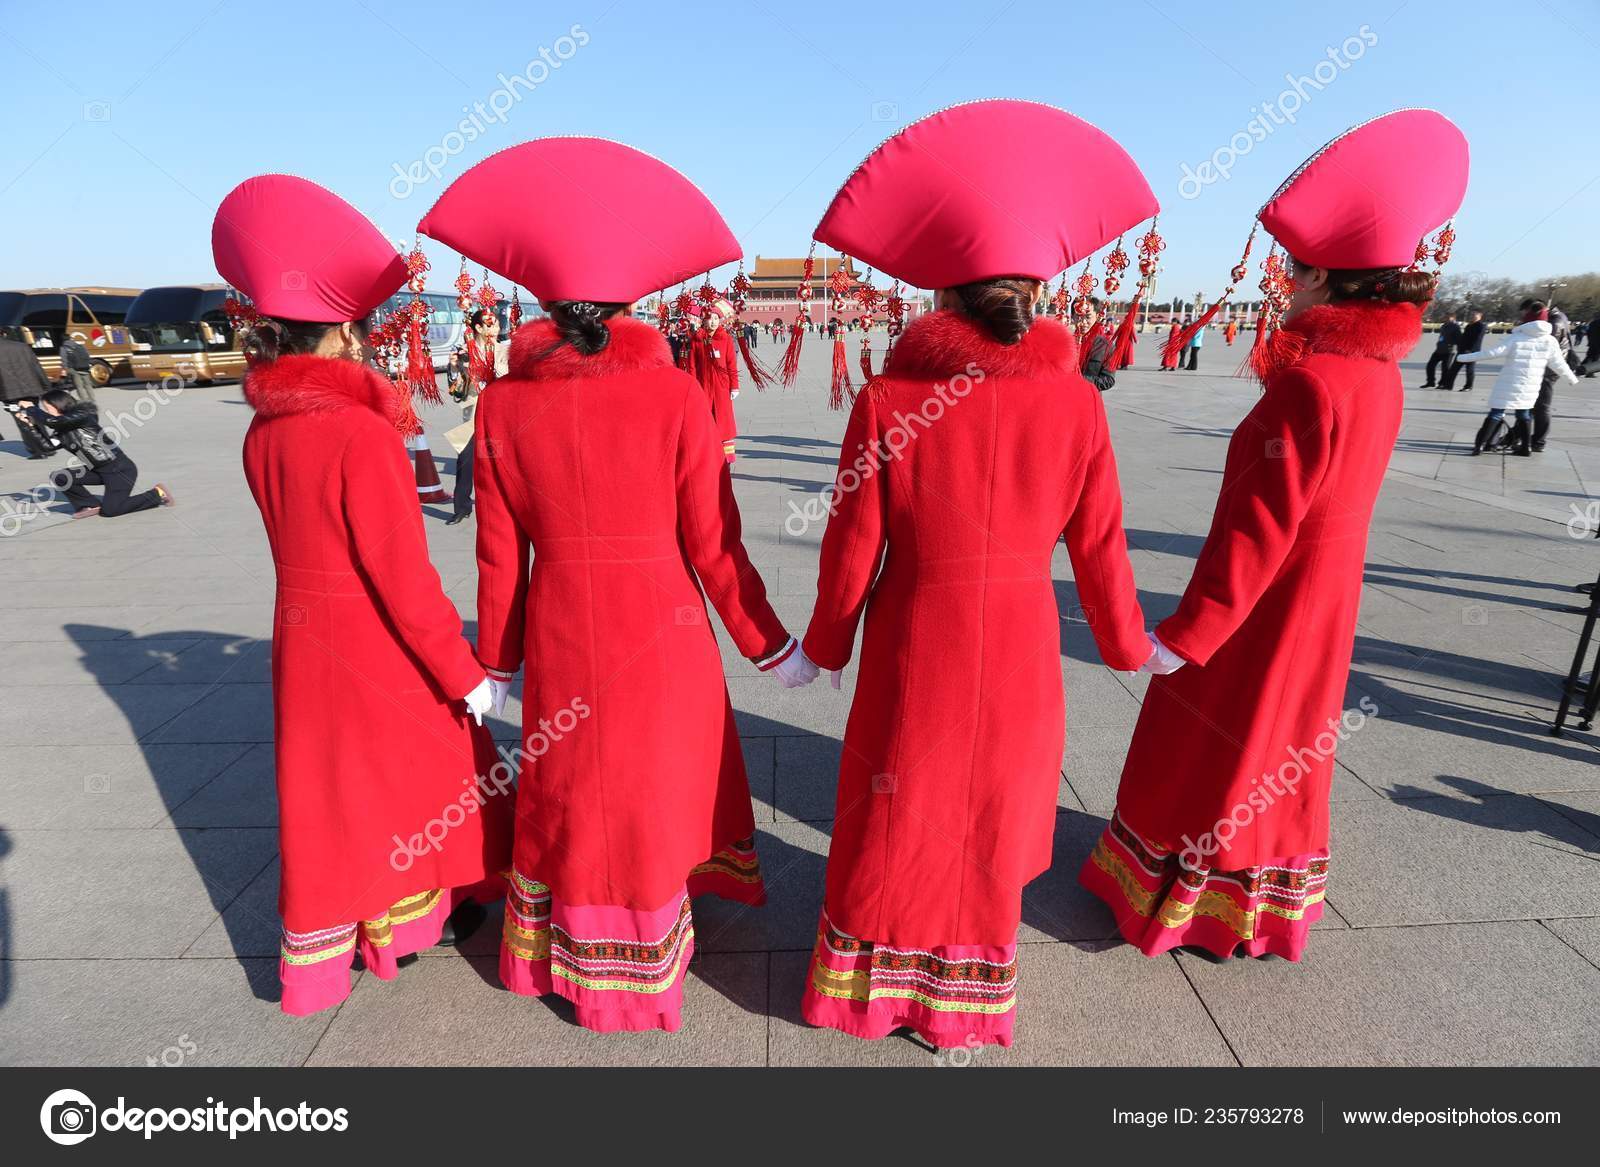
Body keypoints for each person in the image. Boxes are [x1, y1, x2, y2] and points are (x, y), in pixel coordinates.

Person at [418, 136, 815, 1035]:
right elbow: (715, 544)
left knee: (575, 784)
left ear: (546, 303)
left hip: (561, 625)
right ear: (633, 300)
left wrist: (496, 664)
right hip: (664, 625)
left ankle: (583, 951)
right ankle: (650, 937)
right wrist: (770, 644)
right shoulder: (676, 396)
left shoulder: (505, 405)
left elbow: (496, 555)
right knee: (652, 780)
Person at [800, 99, 1157, 1049]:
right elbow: (1102, 545)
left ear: (943, 296)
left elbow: (852, 545)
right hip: (1021, 640)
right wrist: (1131, 642)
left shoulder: (890, 398)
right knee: (993, 809)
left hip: (919, 632)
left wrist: (826, 643)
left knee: (899, 802)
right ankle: (971, 990)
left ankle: (877, 986)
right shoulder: (1077, 405)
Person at [1083, 108, 1470, 963]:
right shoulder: (1377, 374)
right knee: (1283, 745)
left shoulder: (1312, 383)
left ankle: (1187, 892)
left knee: (1222, 744)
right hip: (1323, 597)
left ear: (1327, 278)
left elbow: (1262, 523)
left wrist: (1189, 633)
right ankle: (1256, 900)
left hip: (1263, 600)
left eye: (1296, 271)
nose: (1286, 285)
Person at [212, 174, 511, 1016]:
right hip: (377, 637)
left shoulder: (262, 429)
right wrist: (465, 671)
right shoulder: (360, 432)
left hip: (303, 633)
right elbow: (402, 576)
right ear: (345, 331)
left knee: (337, 787)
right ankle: (420, 920)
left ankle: (370, 928)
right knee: (429, 773)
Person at [28, 388, 171, 517]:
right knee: (60, 477)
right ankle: (89, 504)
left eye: (47, 408)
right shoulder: (61, 430)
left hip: (118, 469)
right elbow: (47, 446)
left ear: (59, 404)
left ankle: (156, 494)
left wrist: (32, 409)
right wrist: (33, 426)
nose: (45, 411)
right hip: (97, 470)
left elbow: (53, 421)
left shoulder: (83, 414)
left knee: (111, 510)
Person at [1459, 299, 1577, 455]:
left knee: (1496, 413)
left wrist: (1463, 358)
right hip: (1531, 385)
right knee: (1524, 413)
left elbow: (1492, 353)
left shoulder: (1517, 337)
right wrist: (1571, 378)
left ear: (1527, 319)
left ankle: (1479, 446)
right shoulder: (1549, 341)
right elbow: (1559, 363)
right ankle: (1526, 447)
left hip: (1509, 383)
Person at [446, 307, 501, 525]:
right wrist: (454, 368)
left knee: (493, 465)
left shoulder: (503, 352)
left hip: (495, 416)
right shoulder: (464, 354)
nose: (495, 329)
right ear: (477, 327)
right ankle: (462, 507)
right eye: (490, 324)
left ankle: (494, 510)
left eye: (496, 324)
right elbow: (456, 392)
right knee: (465, 463)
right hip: (471, 416)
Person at [687, 297, 741, 462]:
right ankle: (709, 454)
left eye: (716, 318)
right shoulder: (697, 340)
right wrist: (693, 387)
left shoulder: (725, 339)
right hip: (703, 386)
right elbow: (692, 366)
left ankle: (727, 456)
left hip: (722, 387)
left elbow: (731, 364)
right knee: (705, 420)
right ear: (704, 320)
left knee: (724, 420)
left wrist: (734, 386)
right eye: (710, 319)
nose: (713, 322)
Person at [0, 336, 59, 458]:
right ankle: (47, 445)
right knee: (35, 417)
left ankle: (39, 450)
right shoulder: (22, 346)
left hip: (9, 393)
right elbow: (37, 367)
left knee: (22, 421)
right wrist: (46, 386)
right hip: (32, 389)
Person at [1442, 309, 1485, 390]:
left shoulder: (1481, 326)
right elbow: (1463, 338)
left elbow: (1477, 339)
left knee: (1469, 370)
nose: (1472, 316)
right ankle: (1448, 386)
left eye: (1474, 314)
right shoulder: (1469, 326)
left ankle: (1468, 386)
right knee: (1454, 369)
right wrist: (1460, 347)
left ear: (1480, 316)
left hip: (1472, 352)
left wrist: (1470, 350)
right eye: (1471, 314)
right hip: (1462, 350)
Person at [1079, 296, 1116, 391]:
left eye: (1088, 317)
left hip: (1090, 399)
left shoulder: (1106, 346)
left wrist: (1080, 379)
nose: (1083, 322)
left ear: (1097, 316)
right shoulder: (1065, 344)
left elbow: (1108, 380)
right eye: (1079, 316)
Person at [1423, 311, 1461, 386]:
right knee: (1430, 365)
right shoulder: (1443, 326)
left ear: (1453, 318)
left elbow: (1459, 339)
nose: (1445, 318)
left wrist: (1455, 347)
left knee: (1445, 368)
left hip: (1449, 351)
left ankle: (1443, 383)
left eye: (1448, 317)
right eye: (1445, 317)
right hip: (1439, 349)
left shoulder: (1456, 327)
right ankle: (1430, 382)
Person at [58, 332, 97, 406]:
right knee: (88, 384)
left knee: (79, 386)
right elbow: (88, 356)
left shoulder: (63, 348)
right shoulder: (80, 346)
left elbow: (64, 360)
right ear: (70, 338)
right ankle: (92, 399)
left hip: (73, 369)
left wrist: (64, 369)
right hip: (84, 368)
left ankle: (84, 400)